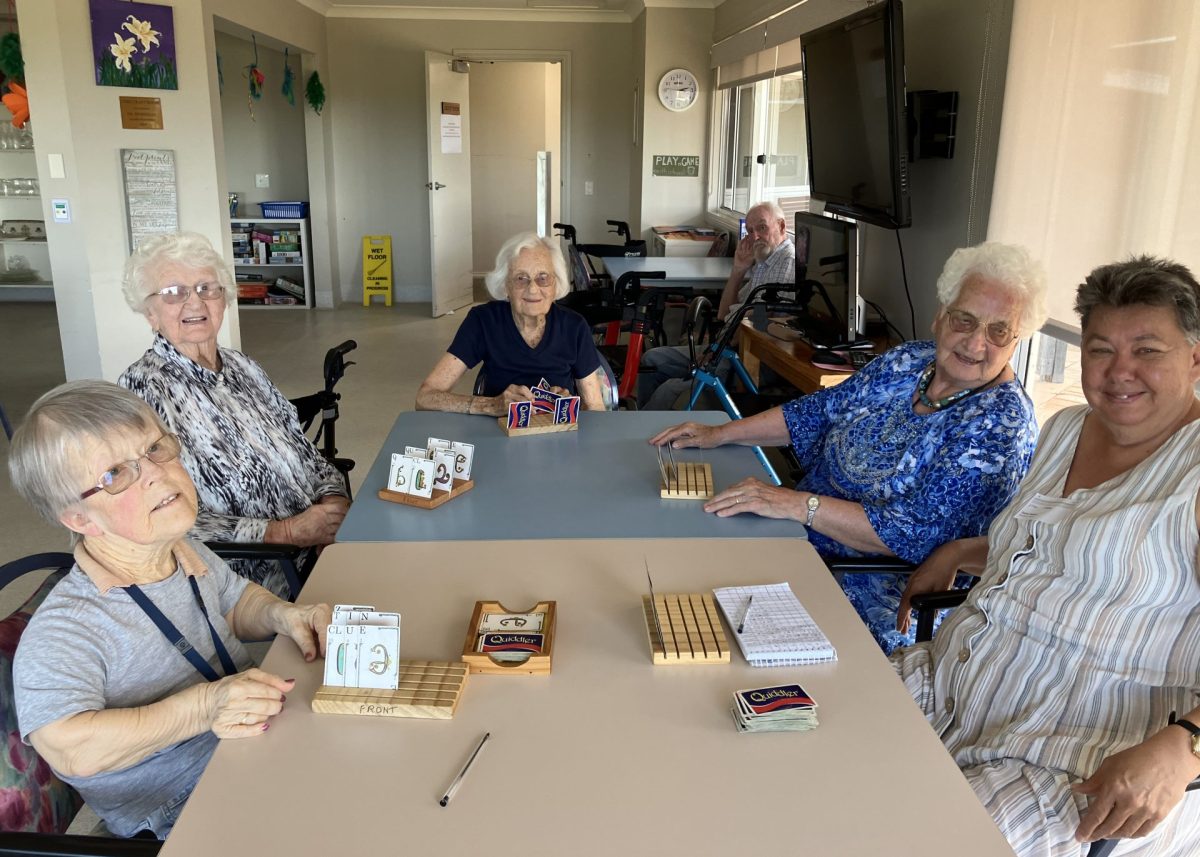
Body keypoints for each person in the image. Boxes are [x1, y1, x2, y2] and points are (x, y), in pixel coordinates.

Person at [891, 256, 1200, 856]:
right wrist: (966, 549)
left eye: (1148, 351)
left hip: (1081, 758)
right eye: (1100, 349)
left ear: (1195, 357)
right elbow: (1066, 553)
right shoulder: (1065, 429)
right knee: (795, 732)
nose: (1119, 372)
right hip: (948, 688)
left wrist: (1185, 745)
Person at [651, 242, 1047, 653]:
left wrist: (795, 504)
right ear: (940, 316)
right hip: (799, 535)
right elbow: (821, 411)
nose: (976, 343)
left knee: (696, 614)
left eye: (999, 330)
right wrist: (722, 434)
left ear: (1017, 340)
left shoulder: (1002, 424)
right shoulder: (911, 360)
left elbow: (911, 532)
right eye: (964, 320)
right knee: (676, 554)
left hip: (870, 585)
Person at [8, 380, 332, 839]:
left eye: (156, 448)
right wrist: (204, 706)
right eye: (116, 474)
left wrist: (285, 615)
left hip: (248, 740)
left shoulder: (179, 547)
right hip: (178, 808)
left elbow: (236, 601)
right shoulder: (66, 629)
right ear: (79, 520)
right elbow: (69, 748)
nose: (156, 474)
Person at [118, 232, 350, 598]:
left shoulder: (243, 366)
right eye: (174, 292)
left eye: (207, 288)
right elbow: (161, 516)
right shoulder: (144, 391)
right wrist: (287, 532)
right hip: (261, 573)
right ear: (150, 313)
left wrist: (334, 503)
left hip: (321, 542)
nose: (195, 301)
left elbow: (305, 451)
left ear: (224, 299)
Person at [416, 232, 605, 415]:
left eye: (543, 278)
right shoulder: (484, 321)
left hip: (558, 437)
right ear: (505, 285)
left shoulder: (574, 327)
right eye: (521, 278)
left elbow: (596, 408)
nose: (533, 289)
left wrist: (569, 406)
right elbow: (425, 397)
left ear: (556, 285)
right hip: (498, 435)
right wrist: (491, 405)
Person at [637, 200, 795, 410]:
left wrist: (717, 351)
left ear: (782, 226)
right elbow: (723, 315)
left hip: (749, 357)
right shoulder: (764, 263)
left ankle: (645, 431)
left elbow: (759, 324)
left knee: (669, 389)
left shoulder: (788, 263)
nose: (755, 236)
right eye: (750, 231)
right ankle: (644, 422)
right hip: (725, 347)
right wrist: (738, 270)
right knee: (651, 359)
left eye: (762, 227)